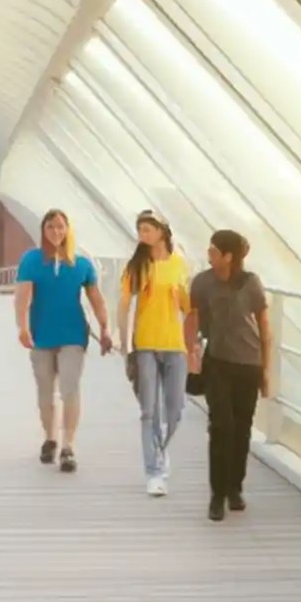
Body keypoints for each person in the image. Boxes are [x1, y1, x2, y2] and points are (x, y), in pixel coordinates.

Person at [14, 209, 112, 472]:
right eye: (50, 227)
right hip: (41, 335)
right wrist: (22, 327)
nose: (56, 232)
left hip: (72, 334)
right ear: (43, 231)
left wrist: (105, 328)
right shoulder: (32, 260)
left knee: (70, 387)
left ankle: (68, 445)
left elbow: (96, 298)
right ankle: (50, 437)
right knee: (46, 393)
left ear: (67, 230)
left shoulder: (81, 264)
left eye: (60, 227)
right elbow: (22, 296)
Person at [187, 229, 271, 521]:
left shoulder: (251, 284)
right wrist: (191, 354)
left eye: (213, 251)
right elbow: (193, 317)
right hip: (217, 362)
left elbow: (264, 328)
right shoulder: (202, 283)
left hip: (248, 364)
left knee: (242, 429)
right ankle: (217, 494)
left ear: (228, 256)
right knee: (221, 427)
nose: (208, 256)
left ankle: (235, 487)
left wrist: (266, 371)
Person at [116, 210, 190, 497]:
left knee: (175, 411)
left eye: (148, 229)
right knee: (149, 411)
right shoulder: (137, 267)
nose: (144, 235)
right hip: (145, 344)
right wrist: (124, 342)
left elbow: (188, 307)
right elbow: (123, 304)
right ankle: (154, 471)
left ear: (162, 231)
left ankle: (161, 450)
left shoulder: (179, 264)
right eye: (141, 230)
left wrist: (181, 298)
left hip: (176, 345)